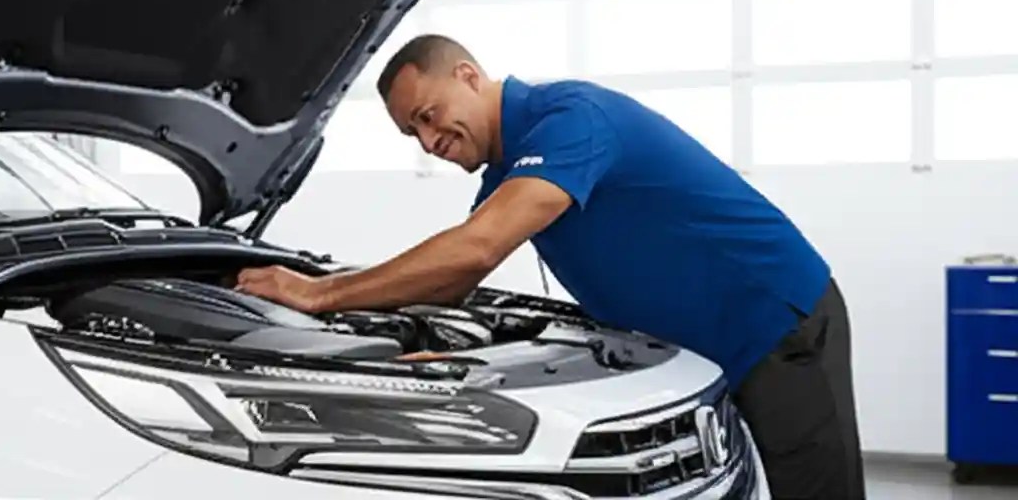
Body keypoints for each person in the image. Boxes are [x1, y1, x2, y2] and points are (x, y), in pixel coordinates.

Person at [235, 34, 865, 499]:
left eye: (428, 116)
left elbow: (475, 248)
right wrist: (412, 355)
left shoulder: (571, 120)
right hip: (705, 350)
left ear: (468, 75)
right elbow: (453, 280)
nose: (429, 142)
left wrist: (322, 294)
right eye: (412, 135)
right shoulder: (504, 177)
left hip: (776, 324)